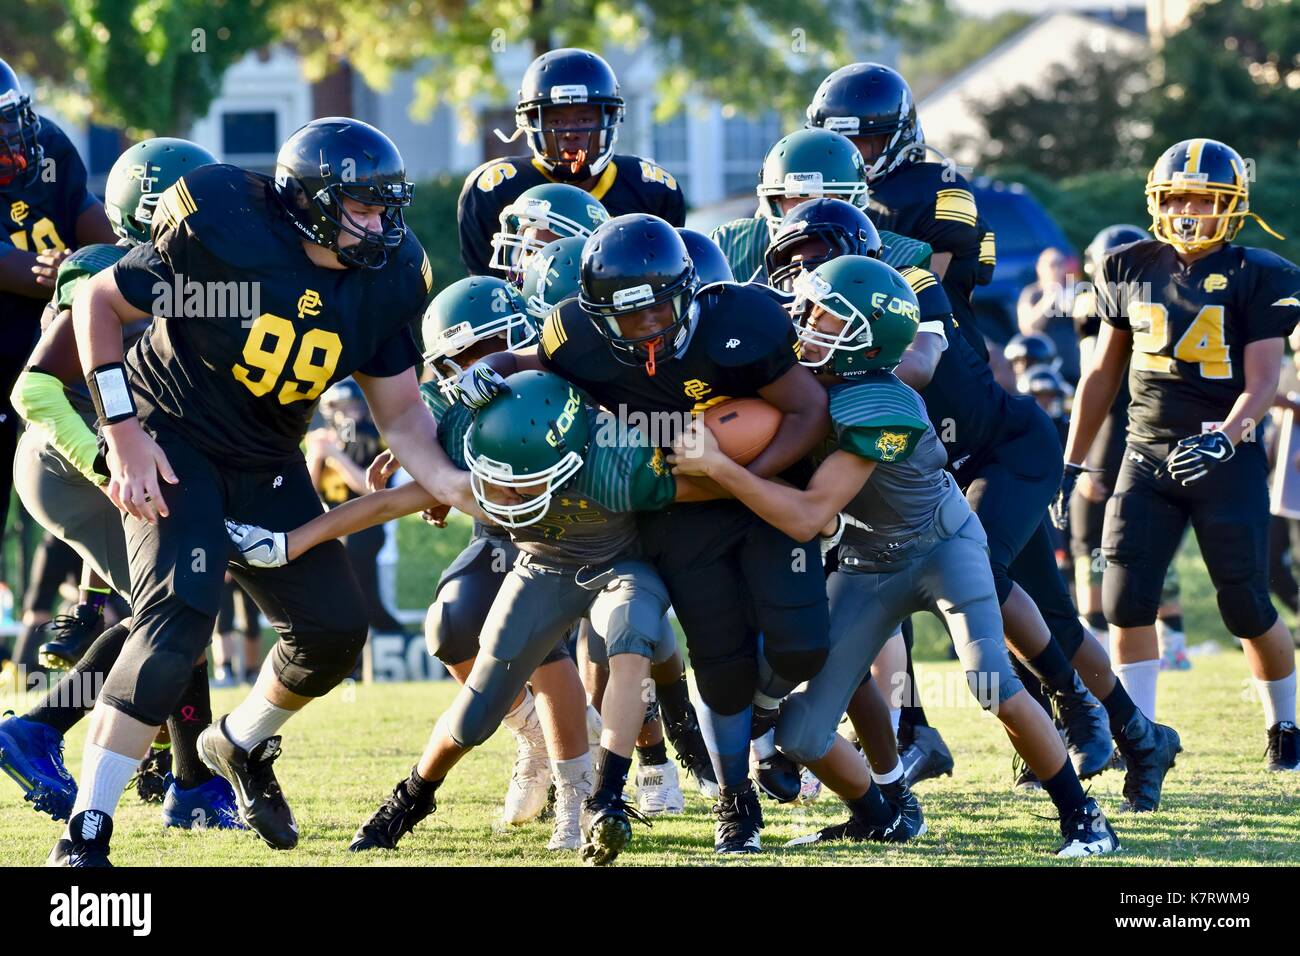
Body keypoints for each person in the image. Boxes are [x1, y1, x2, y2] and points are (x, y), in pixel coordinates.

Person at [53, 116, 474, 868]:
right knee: (178, 619)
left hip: (266, 458)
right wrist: (123, 434)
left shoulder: (386, 278)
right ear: (310, 202)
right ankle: (85, 832)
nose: (381, 224)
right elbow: (98, 306)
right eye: (363, 207)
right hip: (173, 437)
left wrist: (452, 483)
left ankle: (237, 745)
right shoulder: (228, 229)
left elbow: (404, 415)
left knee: (335, 630)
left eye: (386, 207)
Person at [670, 254, 1119, 856]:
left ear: (864, 340)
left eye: (825, 318)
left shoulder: (885, 402)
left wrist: (719, 467)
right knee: (803, 734)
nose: (803, 320)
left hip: (941, 548)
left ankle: (1084, 817)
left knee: (990, 680)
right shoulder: (799, 371)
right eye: (806, 305)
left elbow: (808, 514)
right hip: (866, 562)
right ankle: (880, 816)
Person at [228, 370, 719, 865]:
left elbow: (710, 491)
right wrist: (294, 541)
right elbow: (396, 498)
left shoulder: (620, 463)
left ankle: (607, 796)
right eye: (497, 481)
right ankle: (410, 798)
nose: (505, 498)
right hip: (543, 565)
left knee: (631, 630)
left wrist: (723, 468)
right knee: (478, 705)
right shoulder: (483, 433)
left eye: (521, 484)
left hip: (620, 565)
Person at [456, 214, 834, 853]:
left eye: (658, 308)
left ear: (686, 289)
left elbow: (807, 410)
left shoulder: (741, 320)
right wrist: (487, 368)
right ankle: (736, 800)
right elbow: (529, 366)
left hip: (764, 495)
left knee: (801, 645)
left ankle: (765, 715)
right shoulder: (574, 330)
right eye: (626, 316)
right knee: (719, 654)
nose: (647, 326)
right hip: (677, 509)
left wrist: (742, 477)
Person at [1, 137, 242, 832]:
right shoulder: (105, 271)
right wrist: (108, 465)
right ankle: (186, 784)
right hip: (65, 461)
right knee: (179, 612)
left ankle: (163, 770)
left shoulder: (182, 279)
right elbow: (38, 393)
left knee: (173, 614)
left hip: (92, 466)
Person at [1056, 137, 1300, 772]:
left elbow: (1264, 380)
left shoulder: (1262, 274)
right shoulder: (1126, 267)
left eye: (1204, 198)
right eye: (1179, 196)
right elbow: (1101, 378)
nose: (1190, 209)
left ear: (1232, 206)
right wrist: (1073, 462)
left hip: (1228, 457)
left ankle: (1286, 724)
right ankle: (1137, 735)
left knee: (1245, 603)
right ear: (1158, 201)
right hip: (1146, 455)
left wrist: (1226, 435)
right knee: (1123, 602)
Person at [0, 57, 117, 540]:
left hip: (55, 335)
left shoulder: (47, 143)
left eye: (9, 119)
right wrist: (69, 271)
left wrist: (108, 265)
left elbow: (93, 225)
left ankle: (99, 599)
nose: (10, 138)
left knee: (88, 470)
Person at [458, 48, 684, 277]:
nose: (570, 133)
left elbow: (669, 280)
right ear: (531, 122)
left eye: (584, 119)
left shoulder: (651, 189)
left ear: (610, 119)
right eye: (556, 120)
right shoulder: (495, 188)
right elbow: (489, 292)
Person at [1016, 247, 1080, 382]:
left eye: (1060, 264)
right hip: (1044, 368)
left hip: (1073, 367)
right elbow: (1028, 328)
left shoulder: (1075, 291)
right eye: (1052, 265)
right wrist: (1049, 298)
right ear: (1040, 268)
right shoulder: (1031, 293)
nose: (1056, 269)